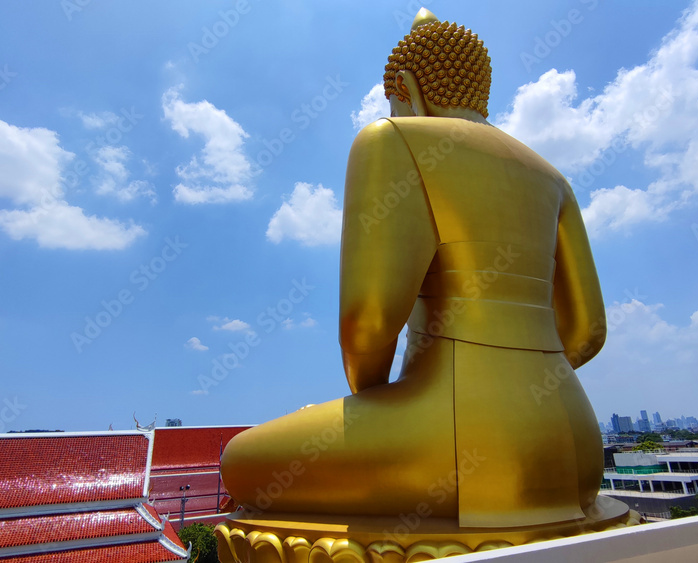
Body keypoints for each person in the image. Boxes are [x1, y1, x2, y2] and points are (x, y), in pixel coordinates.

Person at [221, 9, 615, 530]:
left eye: (392, 99)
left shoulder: (393, 138)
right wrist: (520, 380)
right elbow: (588, 332)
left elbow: (369, 321)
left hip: (451, 442)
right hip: (576, 443)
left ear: (405, 87)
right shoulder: (551, 177)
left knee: (239, 461)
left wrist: (376, 400)